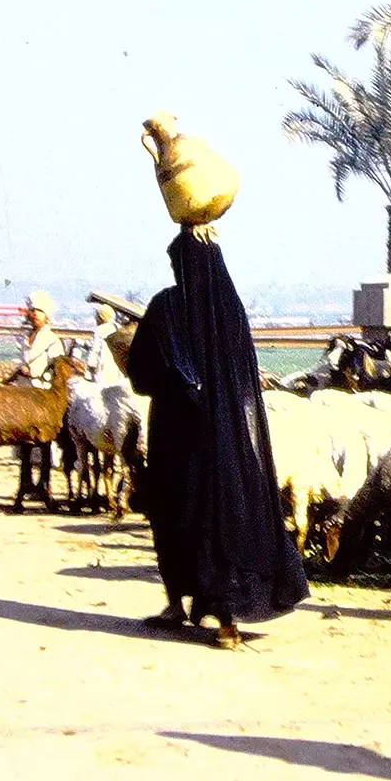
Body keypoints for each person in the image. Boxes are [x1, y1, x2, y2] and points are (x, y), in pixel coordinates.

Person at [126, 226, 309, 649]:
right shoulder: (229, 308)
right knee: (221, 515)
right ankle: (227, 621)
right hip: (224, 433)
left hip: (174, 433)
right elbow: (243, 377)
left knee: (173, 513)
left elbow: (141, 372)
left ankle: (177, 605)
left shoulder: (165, 306)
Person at [7, 290, 66, 504]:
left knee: (43, 442)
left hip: (42, 397)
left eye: (39, 312)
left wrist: (37, 374)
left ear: (46, 315)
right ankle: (25, 482)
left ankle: (44, 484)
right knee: (24, 442)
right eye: (32, 311)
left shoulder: (52, 341)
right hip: (23, 397)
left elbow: (58, 369)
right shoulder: (25, 338)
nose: (35, 315)